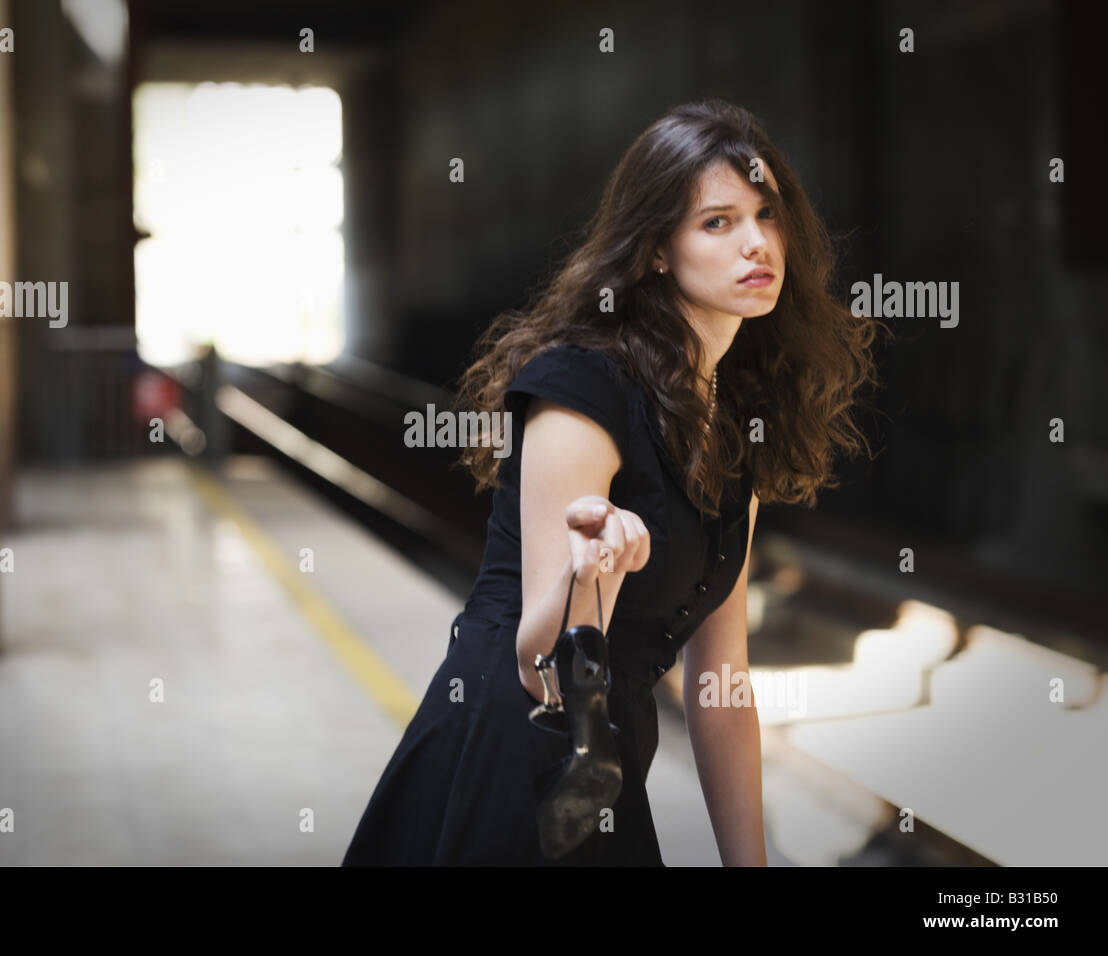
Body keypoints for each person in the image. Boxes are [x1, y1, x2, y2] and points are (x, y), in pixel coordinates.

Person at [342, 98, 886, 866]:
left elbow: (719, 682)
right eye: (718, 222)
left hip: (603, 756)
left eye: (768, 214)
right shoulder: (581, 387)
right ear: (657, 250)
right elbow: (541, 661)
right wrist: (587, 572)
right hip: (510, 751)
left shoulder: (735, 423)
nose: (757, 243)